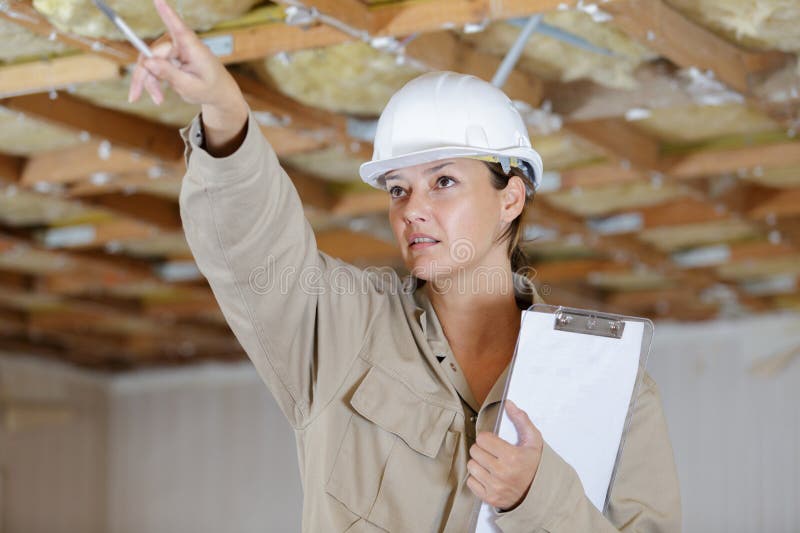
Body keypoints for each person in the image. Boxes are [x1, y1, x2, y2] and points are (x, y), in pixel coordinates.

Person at [129, 0, 682, 531]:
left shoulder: (609, 383)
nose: (412, 209)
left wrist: (536, 500)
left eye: (443, 182)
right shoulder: (341, 329)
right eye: (398, 189)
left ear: (511, 199)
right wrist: (225, 109)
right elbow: (252, 246)